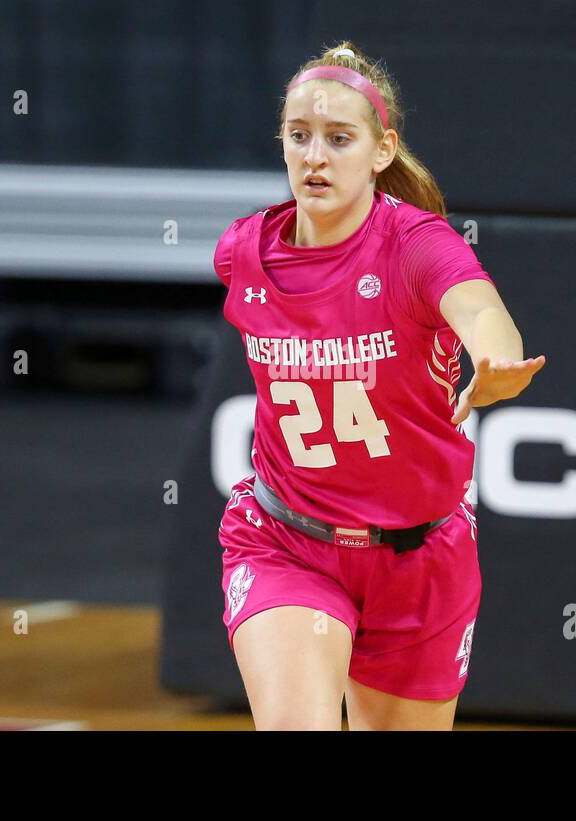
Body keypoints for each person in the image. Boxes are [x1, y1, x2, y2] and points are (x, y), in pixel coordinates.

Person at [213, 41, 545, 730]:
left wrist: (493, 360)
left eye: (338, 139)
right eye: (298, 137)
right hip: (287, 541)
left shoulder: (417, 246)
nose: (314, 156)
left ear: (381, 150)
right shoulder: (242, 253)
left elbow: (482, 310)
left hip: (421, 556)